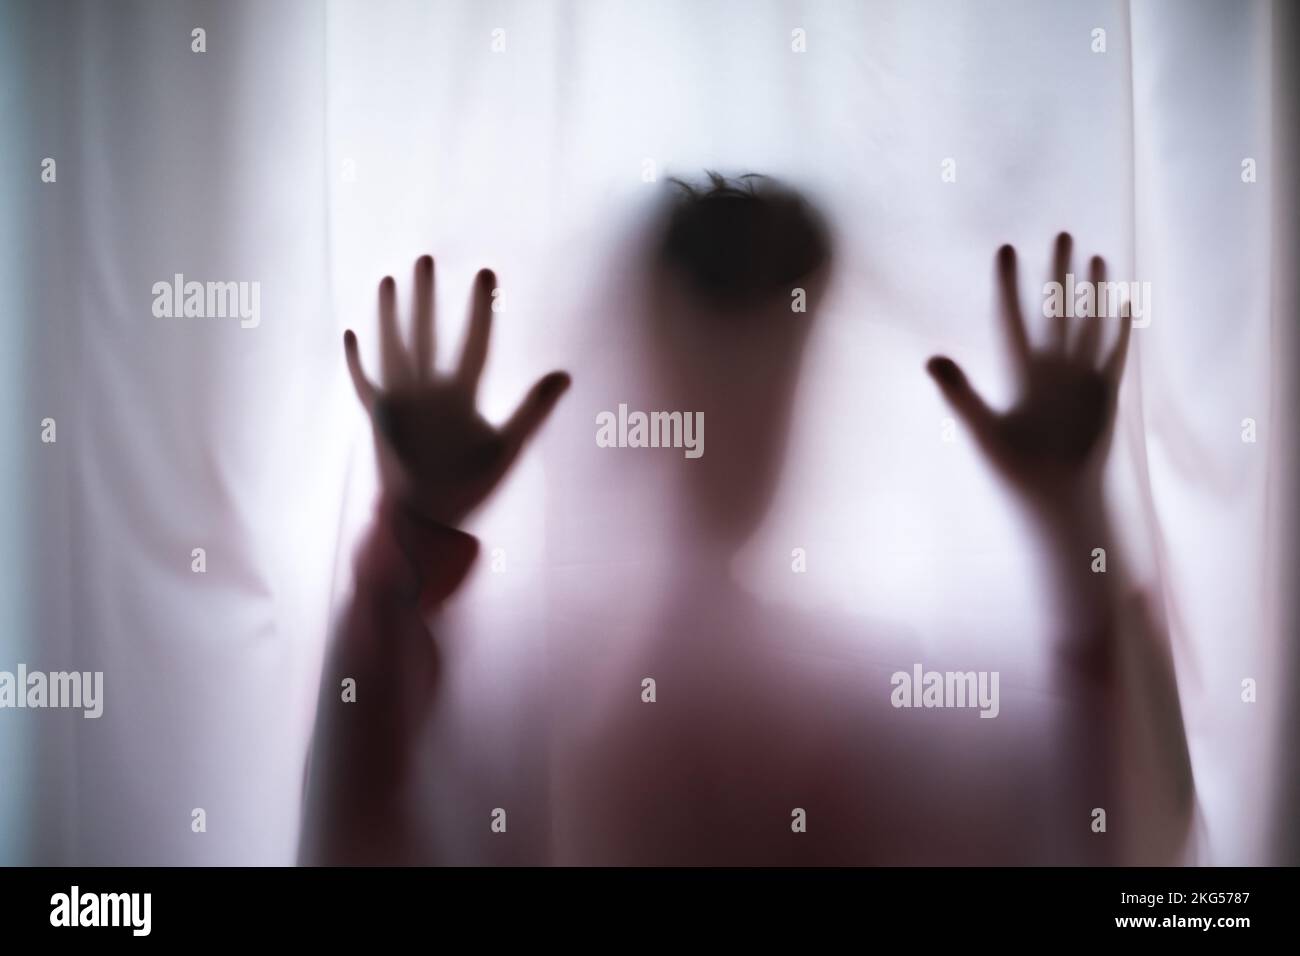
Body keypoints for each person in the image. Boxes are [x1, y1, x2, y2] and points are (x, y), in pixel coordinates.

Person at [300, 175, 1193, 865]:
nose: (736, 423)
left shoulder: (903, 694)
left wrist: (1076, 524)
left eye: (778, 374)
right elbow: (371, 846)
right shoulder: (532, 689)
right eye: (703, 363)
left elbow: (1149, 875)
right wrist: (409, 543)